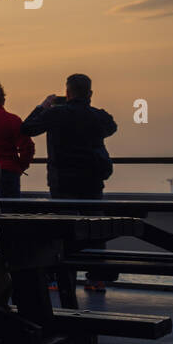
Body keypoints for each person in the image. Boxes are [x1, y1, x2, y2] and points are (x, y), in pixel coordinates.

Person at [21, 73, 118, 291]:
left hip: (62, 182)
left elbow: (27, 128)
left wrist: (44, 106)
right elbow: (112, 127)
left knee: (61, 229)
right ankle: (96, 278)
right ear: (90, 93)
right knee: (95, 228)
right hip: (92, 180)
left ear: (67, 92)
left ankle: (59, 278)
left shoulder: (55, 114)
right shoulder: (99, 117)